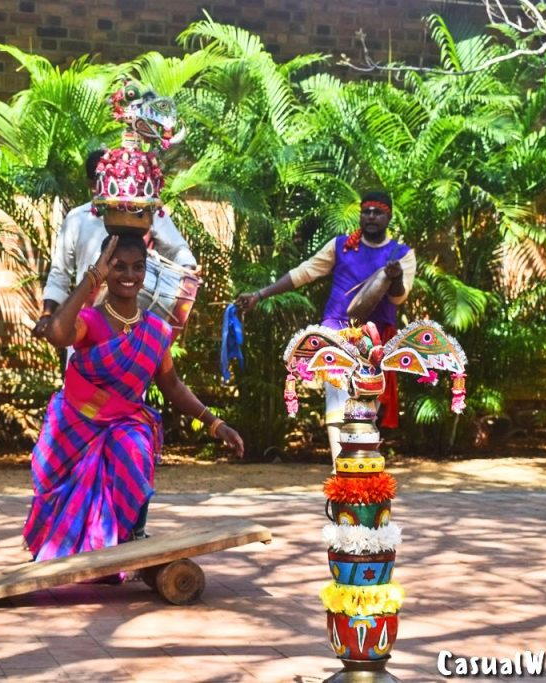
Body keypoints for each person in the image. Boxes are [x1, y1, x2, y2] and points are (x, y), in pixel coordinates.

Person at [23, 234, 243, 561]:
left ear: (146, 273)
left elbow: (172, 385)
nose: (129, 275)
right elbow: (56, 334)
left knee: (133, 446)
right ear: (106, 271)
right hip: (77, 425)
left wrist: (215, 424)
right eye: (118, 266)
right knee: (75, 483)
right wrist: (91, 278)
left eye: (137, 267)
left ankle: (128, 538)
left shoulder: (155, 330)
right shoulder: (90, 320)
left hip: (124, 420)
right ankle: (74, 548)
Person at [236, 191, 416, 464]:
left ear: (389, 215)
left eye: (377, 212)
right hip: (336, 332)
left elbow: (399, 298)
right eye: (366, 211)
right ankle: (339, 470)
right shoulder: (341, 245)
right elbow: (304, 272)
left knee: (366, 408)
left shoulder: (402, 255)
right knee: (337, 400)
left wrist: (396, 277)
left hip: (376, 342)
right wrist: (260, 295)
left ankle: (363, 471)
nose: (370, 217)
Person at [31, 149, 198, 339]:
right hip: (82, 323)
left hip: (135, 324)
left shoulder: (145, 213)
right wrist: (47, 314)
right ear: (92, 184)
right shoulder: (77, 219)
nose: (108, 185)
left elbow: (178, 249)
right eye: (101, 180)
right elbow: (59, 273)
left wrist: (187, 272)